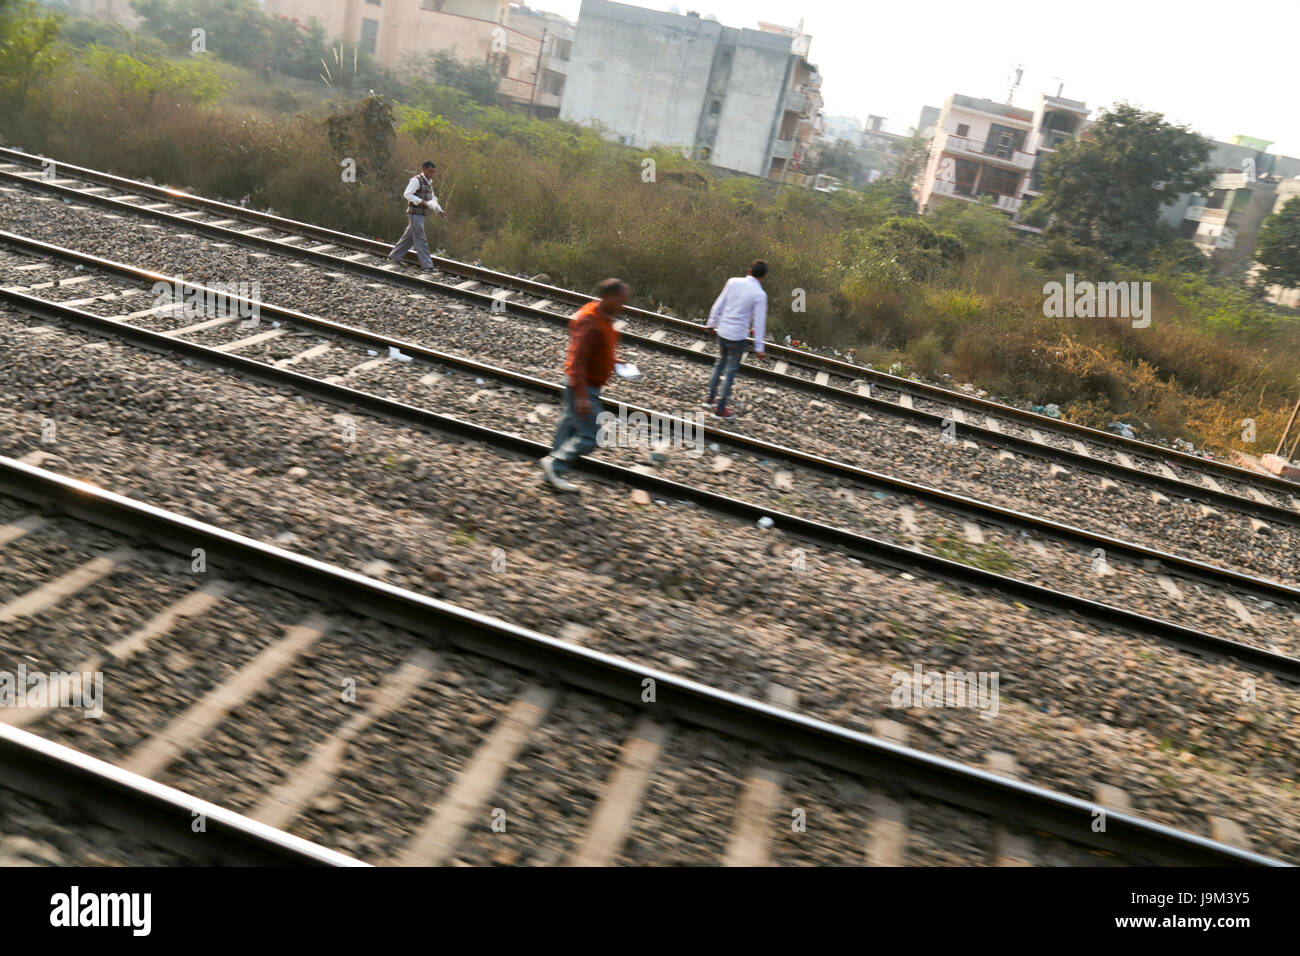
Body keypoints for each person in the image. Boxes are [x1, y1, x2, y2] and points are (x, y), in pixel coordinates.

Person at [540, 279, 631, 492]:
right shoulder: (591, 321)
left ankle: (551, 475)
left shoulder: (604, 318)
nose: (623, 306)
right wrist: (581, 397)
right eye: (620, 301)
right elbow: (577, 361)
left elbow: (596, 351)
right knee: (592, 435)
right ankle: (554, 465)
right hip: (582, 387)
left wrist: (613, 361)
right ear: (607, 297)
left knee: (568, 429)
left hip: (586, 386)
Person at [704, 259, 769, 421]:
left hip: (723, 331)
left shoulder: (732, 282)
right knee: (730, 371)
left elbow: (719, 303)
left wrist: (711, 323)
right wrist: (759, 348)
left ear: (749, 271)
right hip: (737, 337)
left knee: (719, 363)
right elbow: (759, 323)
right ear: (763, 277)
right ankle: (720, 409)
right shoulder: (760, 295)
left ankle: (710, 399)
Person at [387, 161, 445, 271]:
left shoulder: (429, 183)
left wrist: (440, 210)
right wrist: (420, 201)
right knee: (420, 238)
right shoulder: (416, 180)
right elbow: (407, 194)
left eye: (434, 172)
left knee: (409, 237)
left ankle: (394, 256)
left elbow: (433, 199)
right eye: (430, 171)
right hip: (415, 214)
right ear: (423, 169)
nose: (432, 174)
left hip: (421, 215)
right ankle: (427, 265)